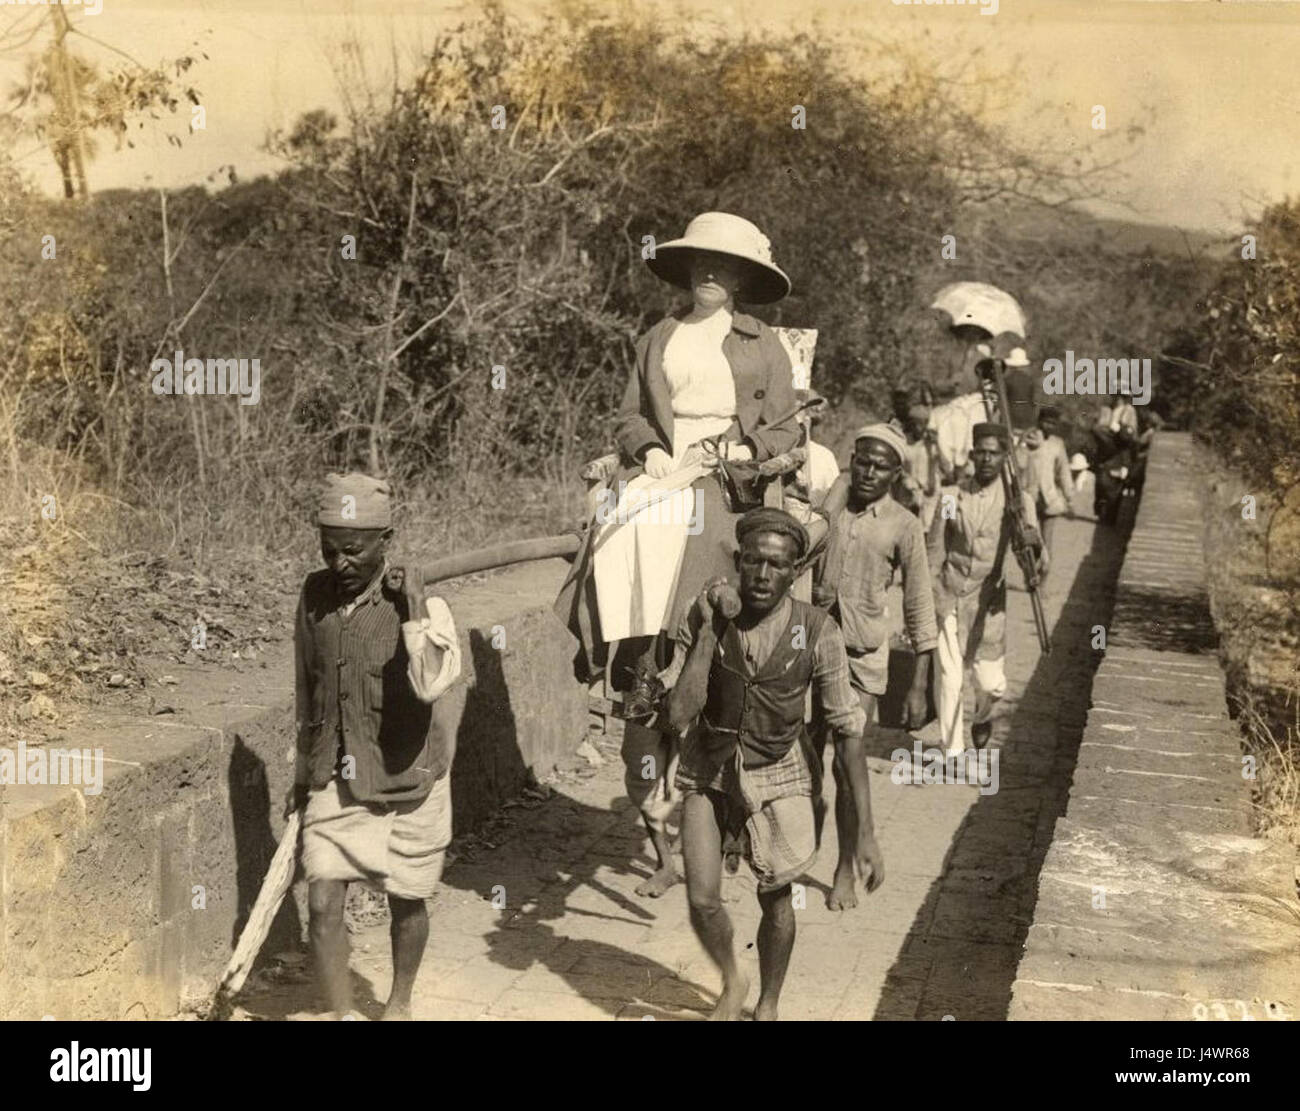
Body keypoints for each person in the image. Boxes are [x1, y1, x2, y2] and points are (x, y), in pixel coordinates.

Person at [554, 211, 802, 900]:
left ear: (744, 278)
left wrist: (738, 451)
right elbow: (630, 413)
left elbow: (783, 420)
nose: (710, 276)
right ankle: (632, 660)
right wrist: (653, 450)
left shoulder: (763, 345)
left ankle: (692, 652)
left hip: (728, 470)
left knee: (704, 537)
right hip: (666, 460)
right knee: (617, 526)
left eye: (724, 267)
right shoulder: (657, 337)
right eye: (699, 263)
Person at [661, 507, 884, 1020]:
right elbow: (678, 714)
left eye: (778, 566)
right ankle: (732, 980)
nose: (763, 576)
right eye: (754, 562)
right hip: (709, 766)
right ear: (739, 562)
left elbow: (847, 733)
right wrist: (709, 632)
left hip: (780, 771)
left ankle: (768, 1002)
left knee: (776, 896)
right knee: (700, 897)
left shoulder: (818, 629)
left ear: (795, 570)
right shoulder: (705, 613)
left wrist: (866, 833)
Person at [289, 473, 463, 1020]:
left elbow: (432, 683)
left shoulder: (425, 600)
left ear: (386, 540)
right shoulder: (314, 594)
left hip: (407, 777)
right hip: (336, 774)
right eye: (329, 549)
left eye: (354, 551)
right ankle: (342, 1012)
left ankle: (400, 1001)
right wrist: (302, 771)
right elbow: (306, 685)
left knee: (407, 902)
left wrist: (414, 611)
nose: (340, 563)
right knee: (321, 906)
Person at [812, 423, 937, 909]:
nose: (867, 472)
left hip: (862, 657)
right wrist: (832, 499)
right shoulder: (828, 508)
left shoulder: (904, 524)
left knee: (848, 761)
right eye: (860, 461)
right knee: (803, 759)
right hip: (812, 642)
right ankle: (804, 836)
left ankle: (846, 865)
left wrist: (919, 684)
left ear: (896, 473)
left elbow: (920, 602)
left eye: (879, 466)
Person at [928, 425, 1043, 756]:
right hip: (949, 593)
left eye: (994, 452)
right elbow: (936, 548)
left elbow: (1034, 562)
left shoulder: (1019, 502)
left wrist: (1030, 541)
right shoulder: (951, 497)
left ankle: (982, 716)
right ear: (972, 454)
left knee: (990, 684)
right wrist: (927, 595)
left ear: (1005, 457)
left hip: (988, 601)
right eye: (982, 451)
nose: (987, 458)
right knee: (949, 678)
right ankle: (952, 751)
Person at [1021, 405, 1075, 569]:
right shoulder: (1027, 439)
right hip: (1029, 496)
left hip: (1049, 498)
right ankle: (1031, 575)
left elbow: (1063, 471)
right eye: (1046, 422)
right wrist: (1025, 445)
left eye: (1053, 424)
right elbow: (1018, 463)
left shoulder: (1057, 444)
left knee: (1047, 541)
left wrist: (1069, 497)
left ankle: (1043, 579)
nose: (1049, 426)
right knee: (1030, 540)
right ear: (1039, 421)